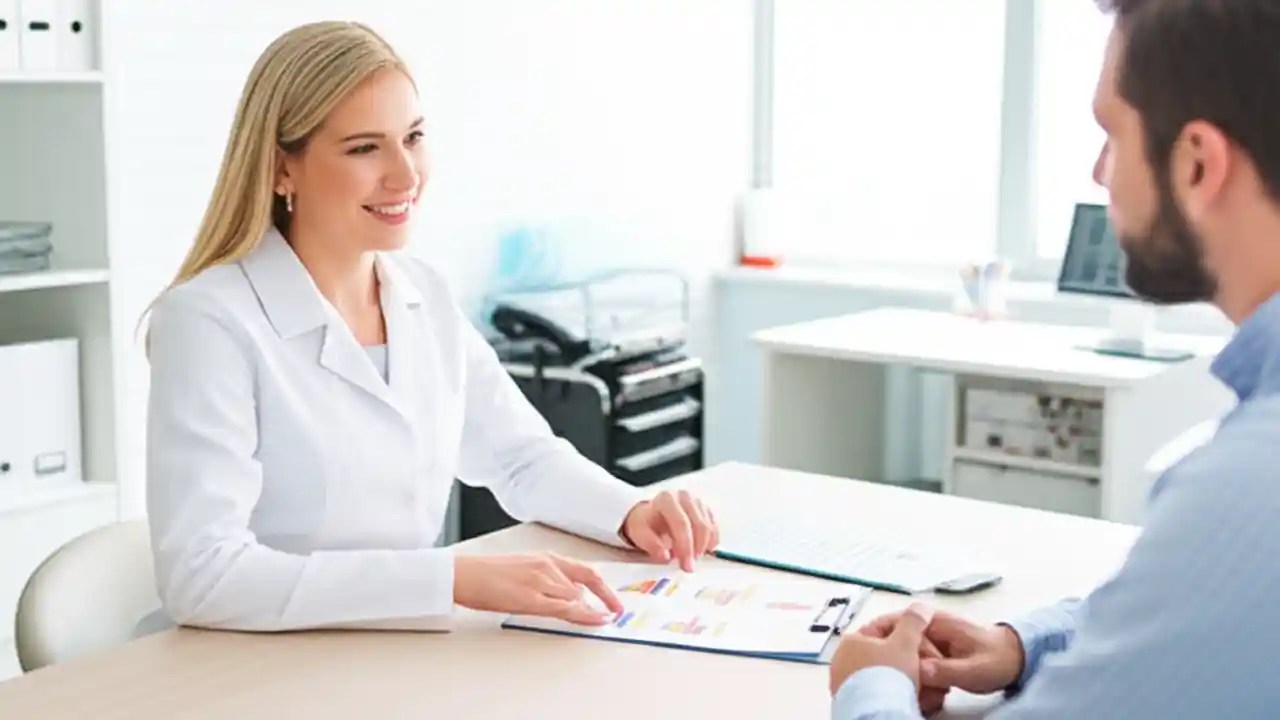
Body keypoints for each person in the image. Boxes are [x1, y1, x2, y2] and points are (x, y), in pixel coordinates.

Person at [144, 21, 719, 633]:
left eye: (413, 138)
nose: (405, 174)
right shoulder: (209, 320)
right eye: (365, 148)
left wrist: (631, 511)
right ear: (282, 169)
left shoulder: (423, 294)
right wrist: (451, 580)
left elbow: (522, 458)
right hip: (252, 664)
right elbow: (203, 575)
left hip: (393, 649)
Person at [829, 0, 1280, 717]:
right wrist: (1023, 643)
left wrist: (866, 685)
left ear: (1197, 164)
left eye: (1112, 134)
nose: (1100, 172)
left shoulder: (1250, 486)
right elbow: (1201, 615)